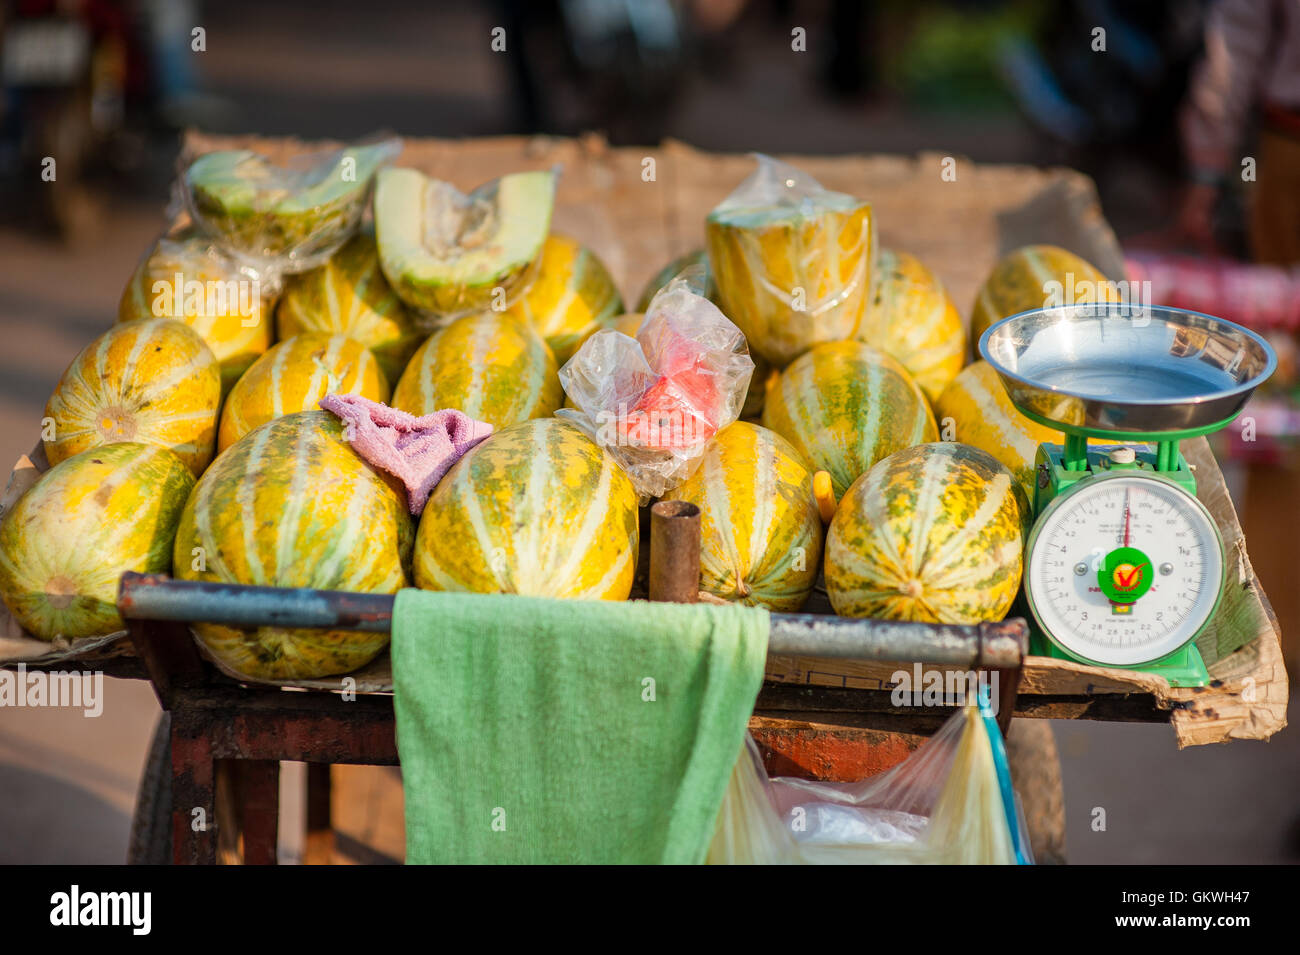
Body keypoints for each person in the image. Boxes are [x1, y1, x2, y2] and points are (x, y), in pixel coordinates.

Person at [1179, 0, 1300, 263]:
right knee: (1280, 291)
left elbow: (1235, 42)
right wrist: (1206, 174)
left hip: (1287, 145)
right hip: (1288, 146)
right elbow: (1234, 47)